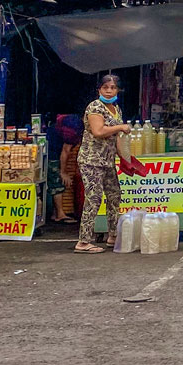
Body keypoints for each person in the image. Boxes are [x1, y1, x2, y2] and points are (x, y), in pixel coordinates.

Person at [75, 74, 130, 254]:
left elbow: (117, 140)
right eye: (105, 87)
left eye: (112, 88)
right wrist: (120, 127)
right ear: (99, 89)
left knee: (114, 196)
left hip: (107, 160)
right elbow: (98, 131)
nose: (108, 91)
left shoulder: (116, 109)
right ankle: (84, 241)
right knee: (94, 197)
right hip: (91, 160)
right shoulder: (95, 107)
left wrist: (126, 159)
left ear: (117, 90)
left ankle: (113, 234)